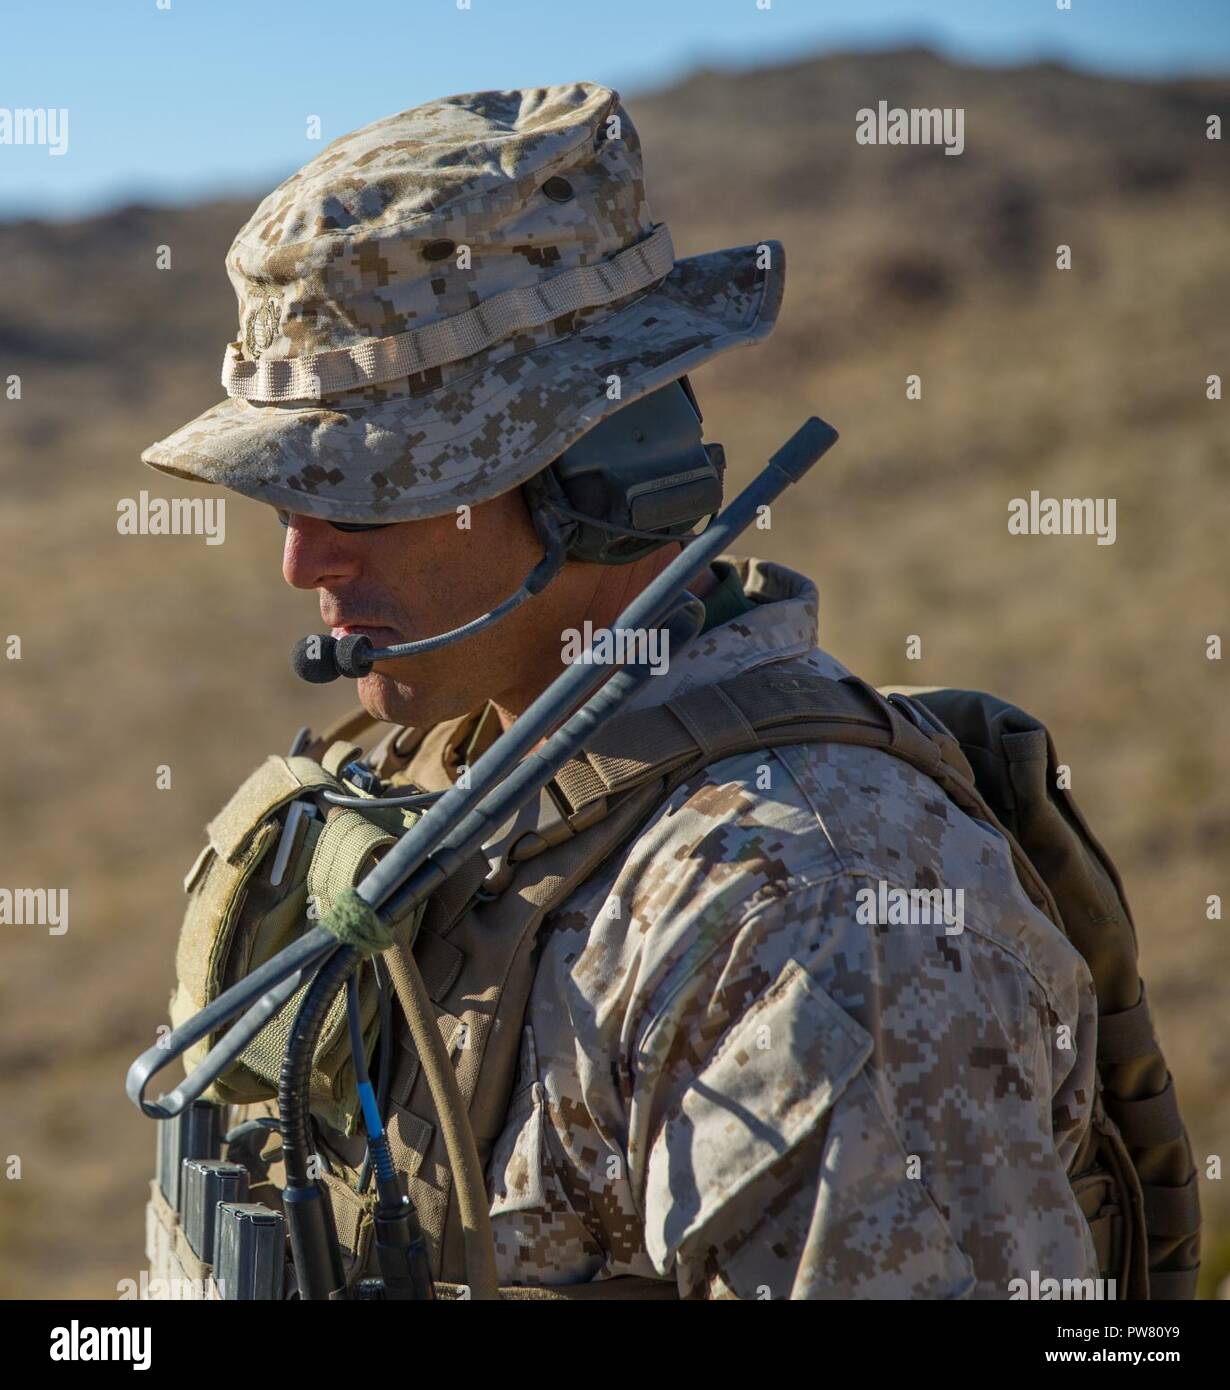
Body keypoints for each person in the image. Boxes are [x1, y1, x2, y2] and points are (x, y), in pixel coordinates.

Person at [142, 81, 1102, 1299]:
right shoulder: (445, 772)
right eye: (291, 497)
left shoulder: (810, 915)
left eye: (360, 493)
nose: (303, 561)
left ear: (597, 478)